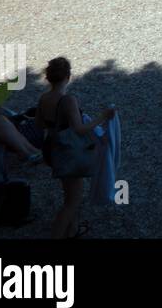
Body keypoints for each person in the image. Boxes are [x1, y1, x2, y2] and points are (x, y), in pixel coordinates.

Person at [34, 57, 116, 239]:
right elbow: (79, 129)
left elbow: (39, 124)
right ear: (68, 77)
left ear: (48, 78)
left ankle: (73, 230)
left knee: (69, 193)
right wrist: (102, 117)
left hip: (52, 150)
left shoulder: (43, 98)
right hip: (69, 152)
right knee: (73, 200)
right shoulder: (69, 100)